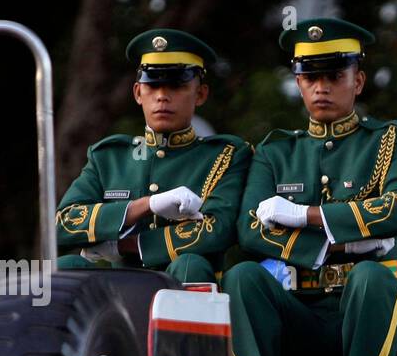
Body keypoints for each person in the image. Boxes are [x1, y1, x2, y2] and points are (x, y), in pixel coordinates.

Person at [224, 18, 397, 356]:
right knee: (242, 277)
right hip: (300, 314)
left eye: (334, 76)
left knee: (372, 278)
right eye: (310, 77)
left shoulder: (392, 140)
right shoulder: (276, 151)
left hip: (367, 319)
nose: (322, 87)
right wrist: (332, 246)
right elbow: (250, 228)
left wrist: (306, 214)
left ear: (358, 80)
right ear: (298, 83)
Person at [55, 29, 251, 285]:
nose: (162, 96)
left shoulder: (225, 155)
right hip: (121, 291)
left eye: (177, 85)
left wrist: (124, 246)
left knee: (189, 264)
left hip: (188, 286)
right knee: (66, 266)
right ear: (138, 93)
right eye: (153, 85)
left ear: (200, 94)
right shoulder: (108, 157)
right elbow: (63, 224)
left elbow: (218, 230)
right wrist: (144, 205)